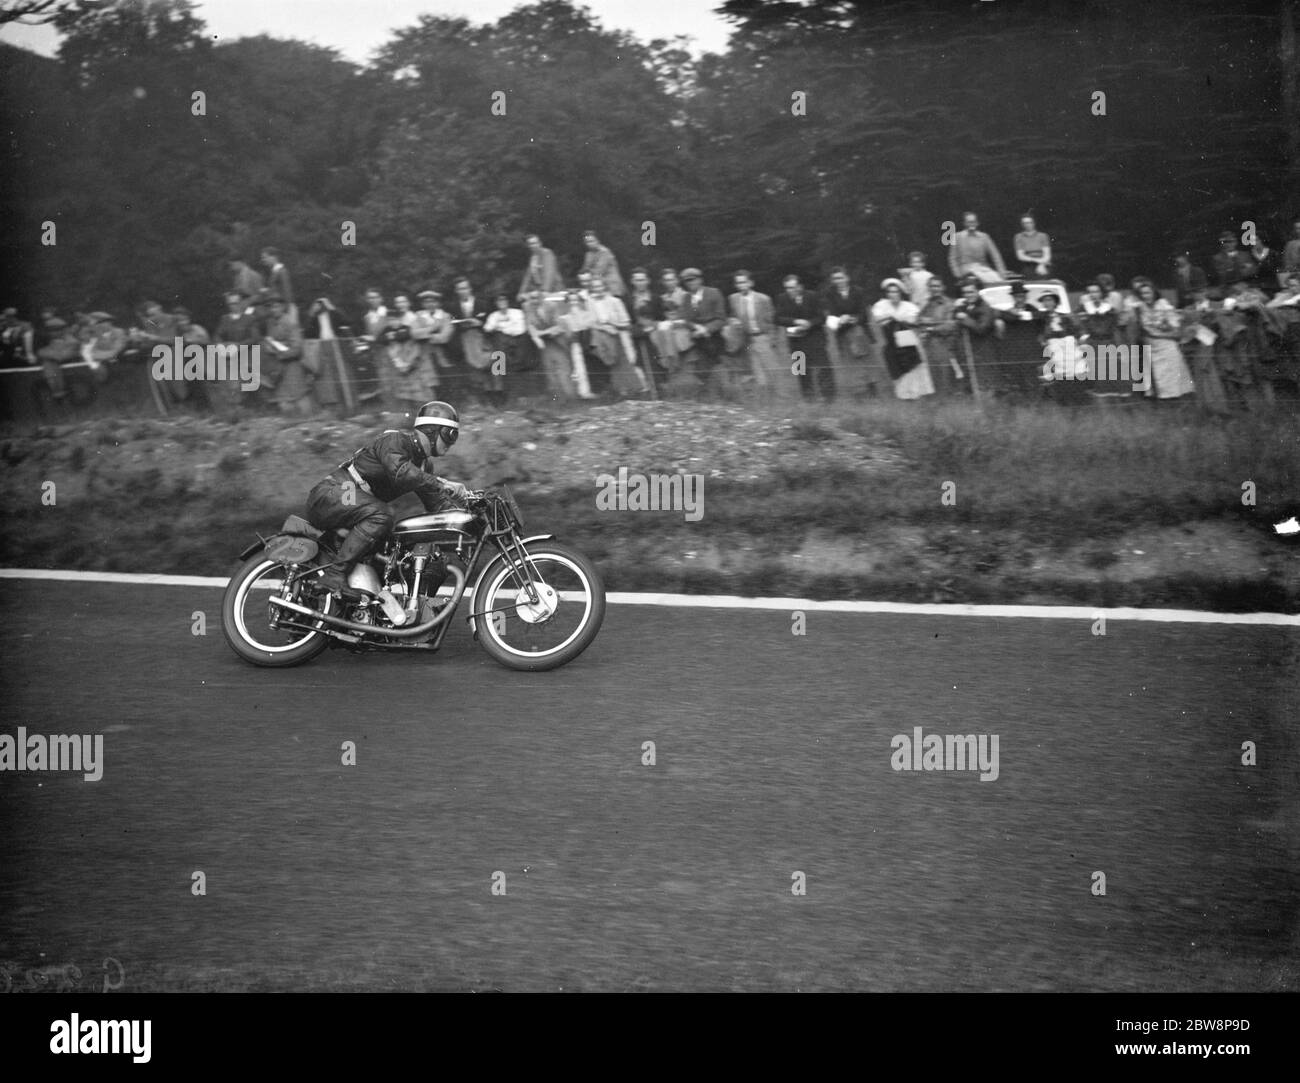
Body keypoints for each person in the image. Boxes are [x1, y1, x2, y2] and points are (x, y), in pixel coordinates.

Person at [305, 401, 471, 599]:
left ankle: (375, 606)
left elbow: (438, 507)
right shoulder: (395, 440)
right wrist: (442, 483)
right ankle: (334, 575)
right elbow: (401, 472)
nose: (453, 441)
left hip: (356, 507)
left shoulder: (425, 467)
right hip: (335, 492)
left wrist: (470, 513)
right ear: (433, 430)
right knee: (383, 515)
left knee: (397, 546)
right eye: (450, 434)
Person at [729, 269, 795, 404]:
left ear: (751, 283)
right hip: (747, 339)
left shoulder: (763, 299)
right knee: (757, 373)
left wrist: (772, 340)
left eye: (744, 282)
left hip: (762, 336)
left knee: (773, 370)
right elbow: (734, 317)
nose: (741, 286)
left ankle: (784, 399)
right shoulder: (734, 299)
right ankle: (764, 402)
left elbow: (772, 321)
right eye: (738, 283)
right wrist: (734, 322)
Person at [871, 278, 933, 400]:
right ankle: (904, 396)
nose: (893, 295)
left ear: (900, 293)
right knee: (897, 367)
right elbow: (878, 319)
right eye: (890, 292)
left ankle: (916, 395)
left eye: (896, 292)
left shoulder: (908, 306)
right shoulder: (881, 306)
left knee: (912, 365)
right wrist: (891, 316)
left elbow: (915, 320)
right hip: (891, 339)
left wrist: (902, 319)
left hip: (907, 338)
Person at [1134, 280, 1195, 400]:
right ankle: (1159, 395)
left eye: (1148, 293)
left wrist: (1164, 329)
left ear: (1154, 293)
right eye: (1143, 294)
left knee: (1171, 364)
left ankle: (1174, 394)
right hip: (1150, 342)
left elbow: (1174, 324)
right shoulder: (1140, 307)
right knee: (1155, 370)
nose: (1145, 296)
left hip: (1165, 340)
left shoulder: (1163, 304)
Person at [775, 274, 832, 402]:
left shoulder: (812, 296)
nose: (790, 291)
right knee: (801, 370)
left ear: (800, 286)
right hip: (796, 341)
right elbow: (777, 318)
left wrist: (809, 323)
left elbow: (822, 317)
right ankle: (808, 398)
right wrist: (795, 321)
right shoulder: (782, 298)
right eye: (787, 288)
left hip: (815, 339)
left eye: (793, 287)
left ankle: (828, 398)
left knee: (823, 367)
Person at [916, 278, 963, 396]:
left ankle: (950, 397)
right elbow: (919, 320)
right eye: (931, 286)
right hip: (929, 343)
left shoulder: (949, 304)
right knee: (934, 373)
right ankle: (940, 398)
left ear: (943, 287)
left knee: (946, 373)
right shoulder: (928, 304)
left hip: (945, 343)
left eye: (937, 286)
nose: (934, 289)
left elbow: (950, 325)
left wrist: (931, 328)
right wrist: (927, 324)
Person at [948, 212, 1008, 284]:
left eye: (973, 222)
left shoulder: (984, 237)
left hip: (983, 270)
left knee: (998, 282)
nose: (971, 224)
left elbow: (996, 255)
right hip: (966, 271)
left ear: (977, 223)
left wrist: (1002, 273)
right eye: (969, 222)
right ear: (964, 223)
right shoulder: (957, 237)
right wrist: (958, 275)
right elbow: (952, 258)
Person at [580, 230, 626, 297]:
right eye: (587, 242)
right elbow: (584, 272)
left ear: (597, 241)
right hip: (600, 288)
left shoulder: (604, 252)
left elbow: (598, 271)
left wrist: (588, 272)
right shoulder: (589, 254)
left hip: (613, 288)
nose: (589, 244)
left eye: (591, 241)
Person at [518, 234, 563, 300]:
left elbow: (549, 273)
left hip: (554, 290)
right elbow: (528, 277)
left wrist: (545, 290)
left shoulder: (547, 253)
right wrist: (521, 292)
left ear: (540, 243)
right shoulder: (533, 258)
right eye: (530, 244)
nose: (532, 246)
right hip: (540, 291)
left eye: (534, 243)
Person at [261, 247, 296, 323]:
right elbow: (276, 290)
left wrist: (286, 311)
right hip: (278, 309)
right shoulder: (275, 272)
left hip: (284, 310)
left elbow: (287, 292)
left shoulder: (282, 271)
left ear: (274, 257)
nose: (263, 260)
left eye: (265, 257)